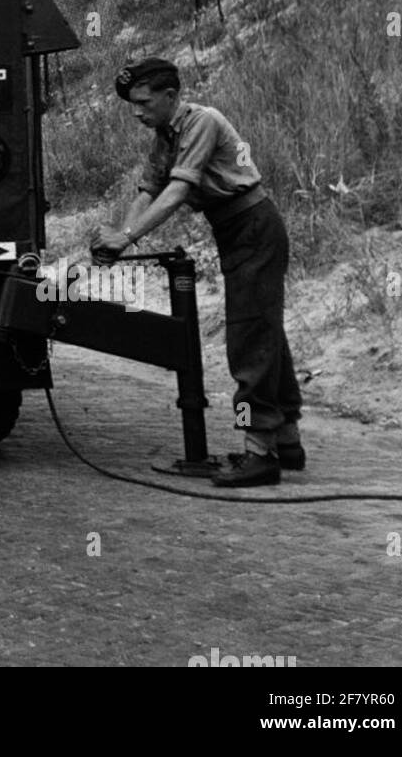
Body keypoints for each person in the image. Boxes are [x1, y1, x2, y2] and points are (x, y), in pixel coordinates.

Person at [89, 58, 304, 487]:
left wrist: (127, 238)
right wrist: (118, 234)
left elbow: (177, 191)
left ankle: (259, 456)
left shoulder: (201, 122)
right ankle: (287, 442)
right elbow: (149, 190)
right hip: (235, 230)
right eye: (133, 104)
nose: (137, 111)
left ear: (171, 96)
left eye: (144, 102)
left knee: (248, 339)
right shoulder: (165, 135)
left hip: (253, 226)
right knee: (265, 334)